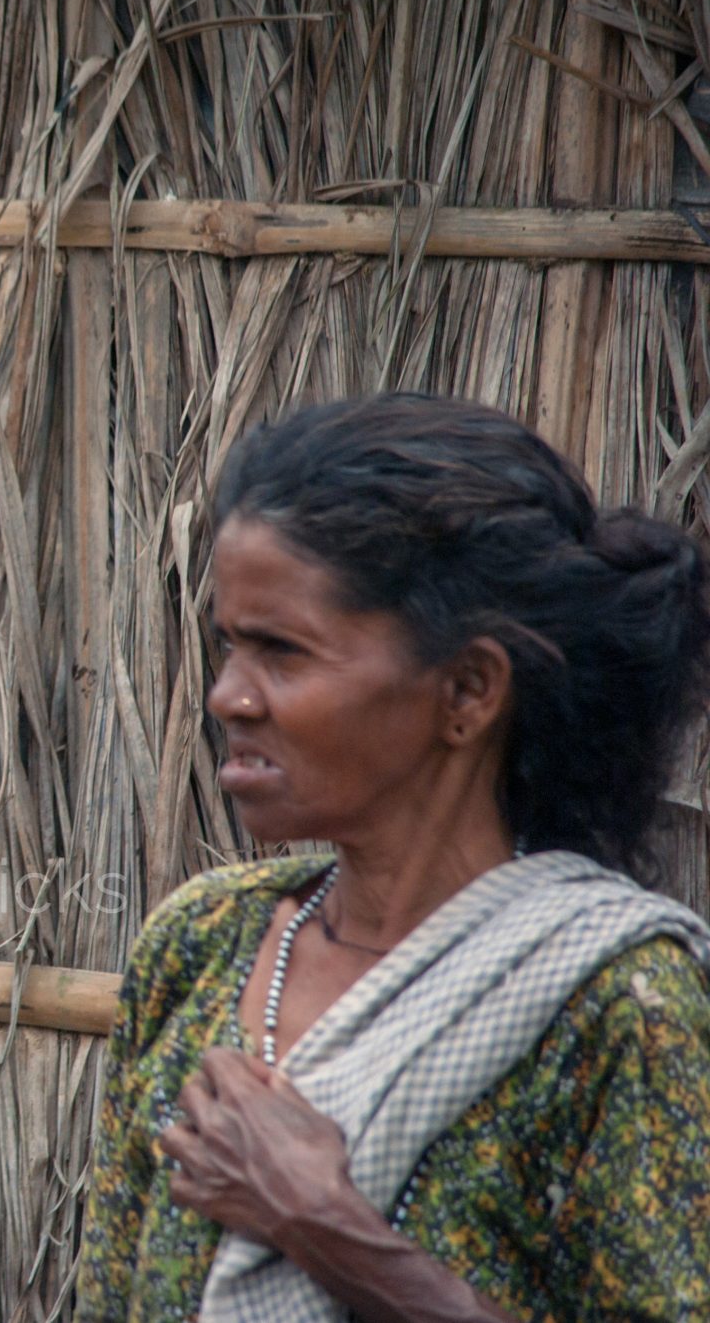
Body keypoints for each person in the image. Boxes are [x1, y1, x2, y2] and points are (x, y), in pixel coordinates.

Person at [75, 393, 710, 1321]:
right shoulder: (202, 944)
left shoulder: (617, 1008)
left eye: (282, 652)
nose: (227, 698)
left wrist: (328, 1225)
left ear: (467, 690)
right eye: (228, 647)